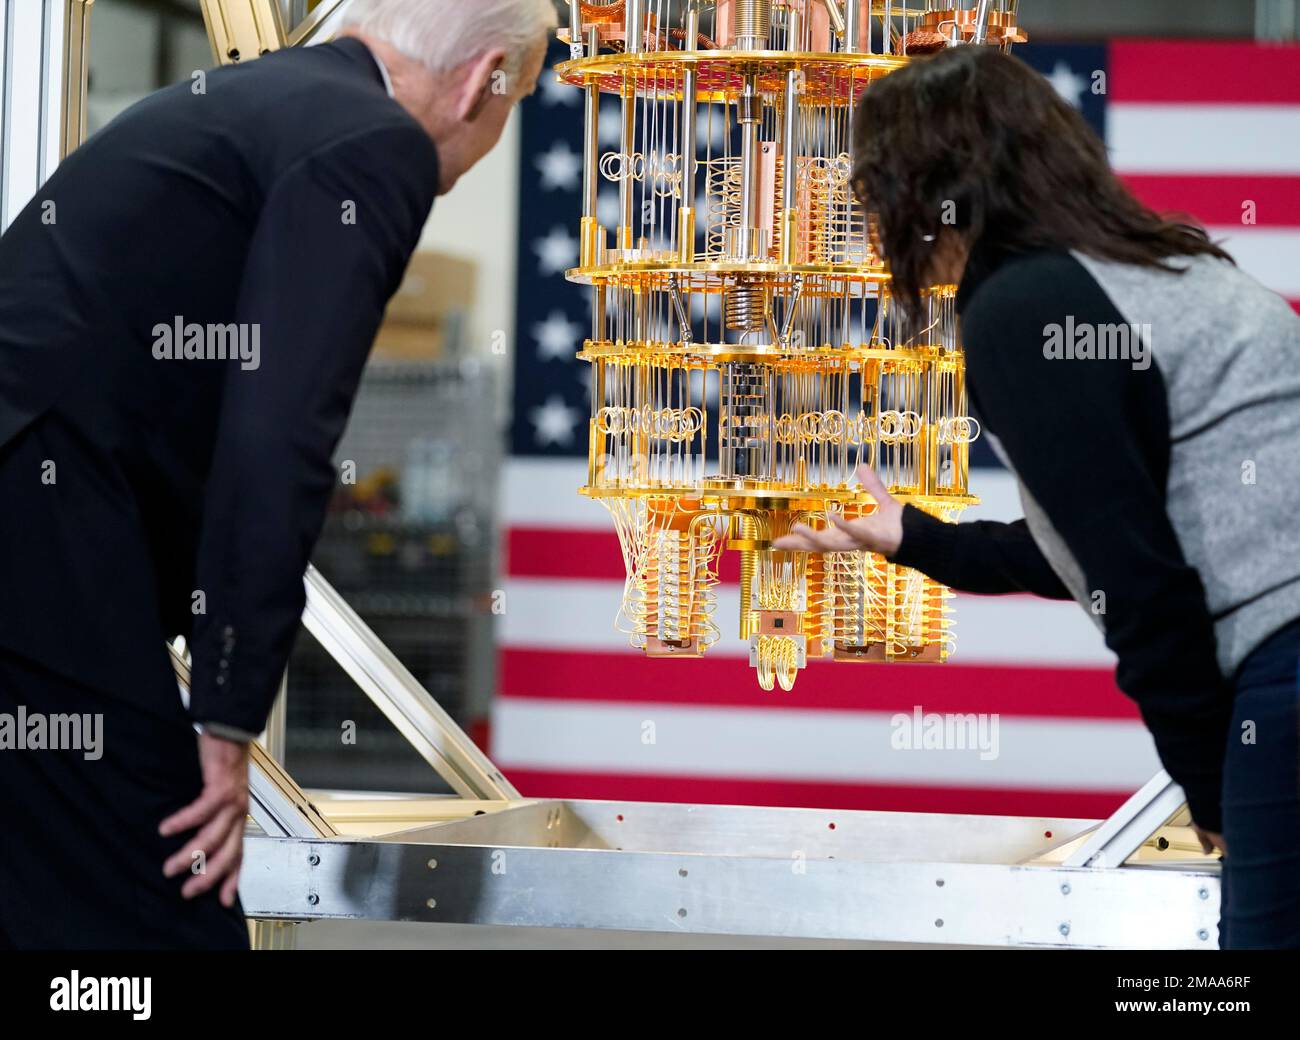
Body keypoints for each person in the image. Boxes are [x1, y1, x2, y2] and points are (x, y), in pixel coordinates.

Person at [0, 0, 553, 948]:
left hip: (42, 505)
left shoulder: (256, 99)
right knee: (160, 892)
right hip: (40, 518)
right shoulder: (375, 145)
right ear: (482, 78)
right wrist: (225, 713)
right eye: (519, 101)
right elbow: (282, 436)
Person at [775, 45, 1300, 949]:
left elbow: (1140, 587)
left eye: (873, 186)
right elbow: (1105, 545)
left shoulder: (1026, 306)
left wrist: (1211, 791)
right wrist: (912, 537)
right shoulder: (1151, 267)